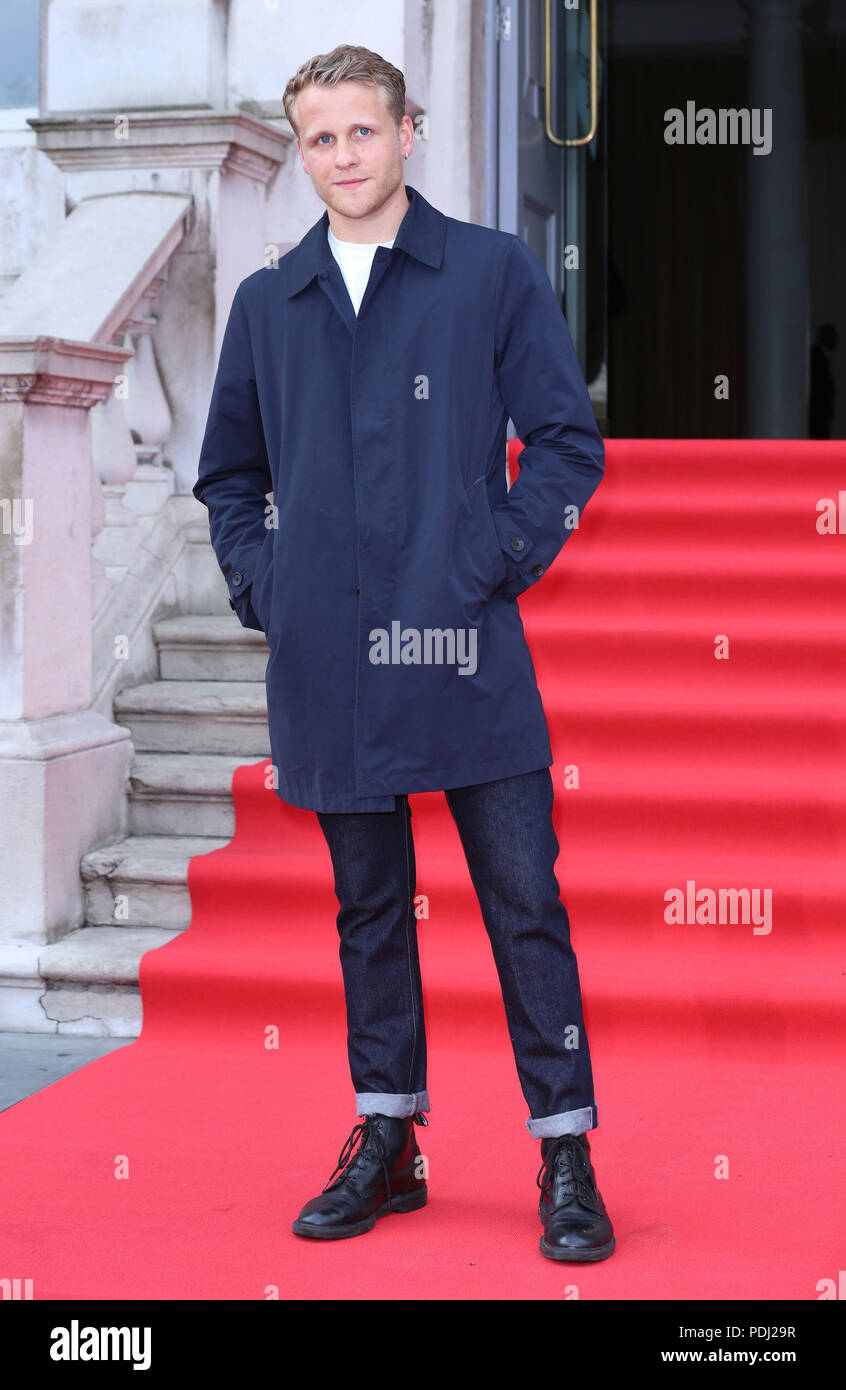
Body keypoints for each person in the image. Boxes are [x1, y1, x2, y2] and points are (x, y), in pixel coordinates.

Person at [193, 43, 614, 1263]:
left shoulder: (488, 271)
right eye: (318, 140)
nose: (341, 158)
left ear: (408, 133)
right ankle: (391, 1142)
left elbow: (567, 443)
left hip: (465, 646)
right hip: (327, 660)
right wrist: (266, 585)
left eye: (361, 134)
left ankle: (566, 1150)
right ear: (303, 151)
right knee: (368, 910)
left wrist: (489, 557)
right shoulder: (269, 301)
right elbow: (229, 474)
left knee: (525, 903)